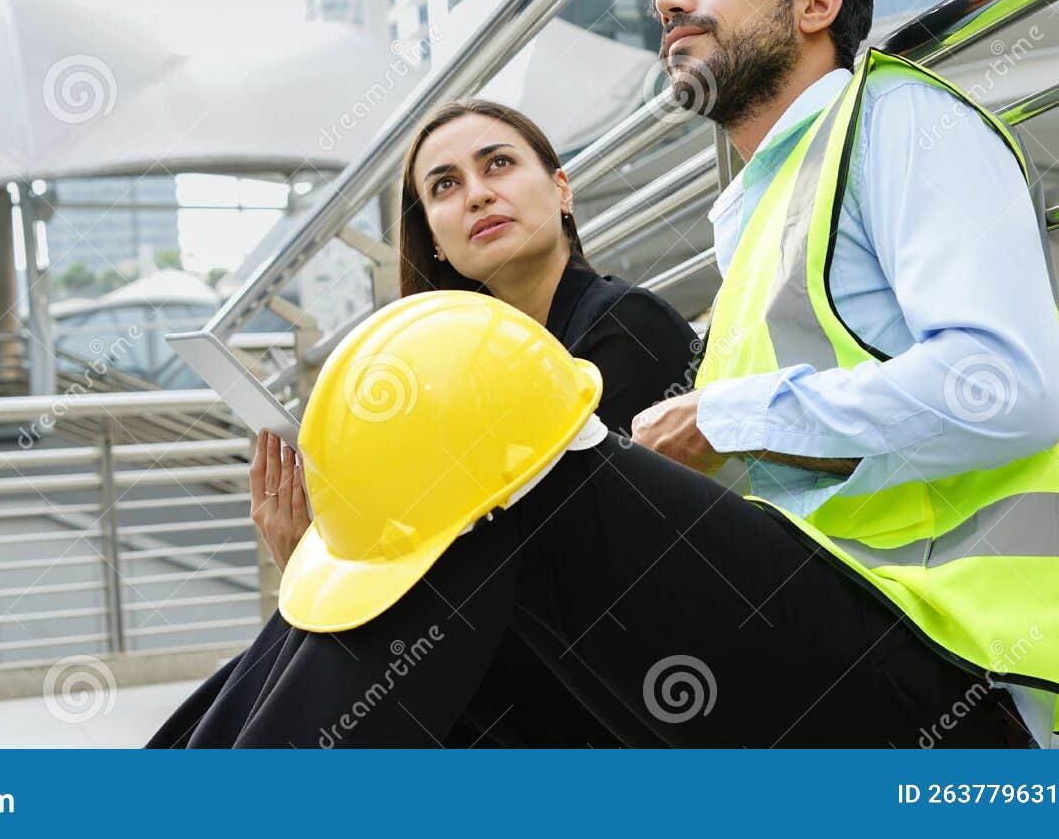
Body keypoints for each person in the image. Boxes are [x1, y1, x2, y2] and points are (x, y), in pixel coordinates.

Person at [151, 0, 1059, 748]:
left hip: (946, 669)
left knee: (514, 476)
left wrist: (721, 417)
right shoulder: (762, 210)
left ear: (816, 3)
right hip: (830, 635)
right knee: (457, 634)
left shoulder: (904, 121)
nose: (671, 1)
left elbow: (1009, 390)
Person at [148, 99, 699, 748]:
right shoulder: (457, 376)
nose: (477, 194)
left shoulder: (626, 327)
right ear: (435, 239)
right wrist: (324, 551)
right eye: (445, 185)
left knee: (385, 606)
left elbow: (561, 553)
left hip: (622, 676)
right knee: (324, 624)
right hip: (503, 650)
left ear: (561, 190)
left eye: (498, 164)